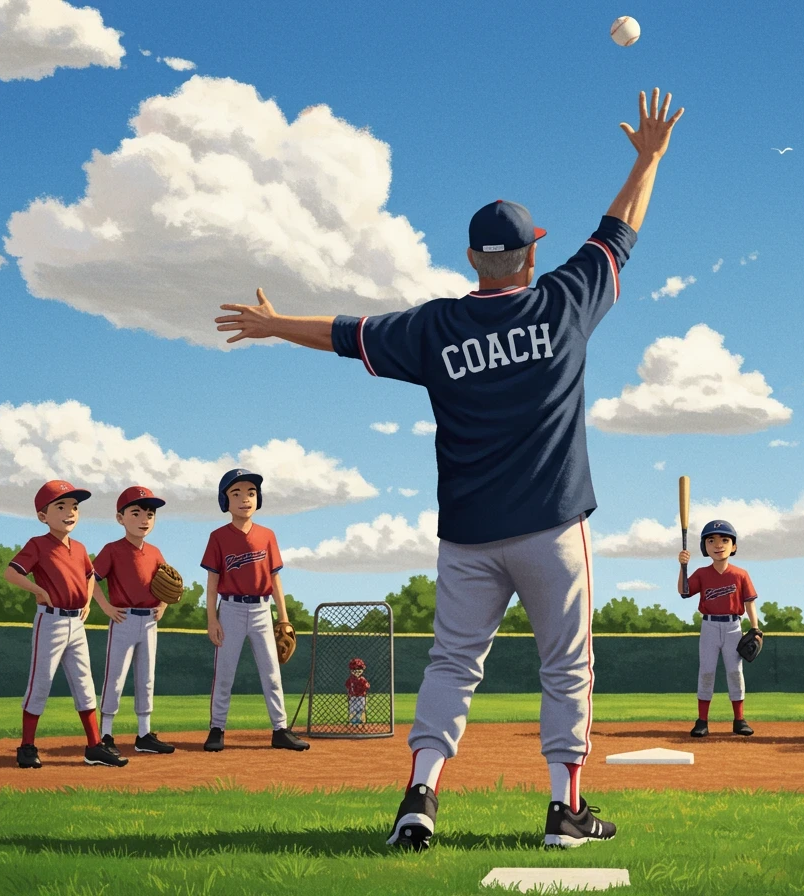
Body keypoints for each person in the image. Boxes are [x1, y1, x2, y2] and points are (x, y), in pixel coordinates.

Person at [214, 88, 684, 850]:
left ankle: (420, 798)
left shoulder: (435, 327)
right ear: (532, 254)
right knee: (567, 666)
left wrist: (272, 325)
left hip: (467, 537)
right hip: (551, 529)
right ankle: (565, 811)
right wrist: (650, 157)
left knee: (453, 664)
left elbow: (342, 333)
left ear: (471, 257)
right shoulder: (564, 302)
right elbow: (619, 232)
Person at [5, 481, 126, 768]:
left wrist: (86, 602)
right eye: (60, 506)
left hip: (76, 624)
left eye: (74, 506)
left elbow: (89, 575)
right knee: (40, 683)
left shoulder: (80, 547)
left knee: (85, 683)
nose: (70, 512)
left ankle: (94, 746)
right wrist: (38, 591)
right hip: (51, 620)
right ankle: (27, 746)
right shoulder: (38, 544)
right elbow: (11, 573)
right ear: (43, 516)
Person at [201, 468, 310, 753]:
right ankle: (217, 728)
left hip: (263, 610)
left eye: (251, 493)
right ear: (225, 501)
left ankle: (280, 729)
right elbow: (212, 583)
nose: (245, 499)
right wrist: (212, 618)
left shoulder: (267, 535)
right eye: (236, 493)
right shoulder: (218, 537)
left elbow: (275, 579)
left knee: (272, 673)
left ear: (258, 498)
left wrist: (284, 617)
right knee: (225, 673)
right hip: (231, 609)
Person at [92, 486, 176, 756]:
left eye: (149, 514)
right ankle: (105, 734)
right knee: (115, 677)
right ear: (120, 518)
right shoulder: (113, 550)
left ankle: (143, 735)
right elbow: (91, 578)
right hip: (124, 618)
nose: (144, 519)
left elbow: (168, 583)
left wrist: (162, 604)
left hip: (150, 621)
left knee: (146, 678)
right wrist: (105, 606)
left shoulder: (154, 551)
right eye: (136, 512)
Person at [678, 520, 762, 737]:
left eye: (725, 540)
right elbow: (684, 591)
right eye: (711, 540)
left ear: (733, 546)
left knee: (735, 672)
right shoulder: (701, 573)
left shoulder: (740, 574)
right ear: (704, 547)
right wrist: (682, 566)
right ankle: (702, 721)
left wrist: (755, 628)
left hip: (734, 626)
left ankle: (739, 719)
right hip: (709, 626)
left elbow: (750, 602)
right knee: (706, 672)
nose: (718, 544)